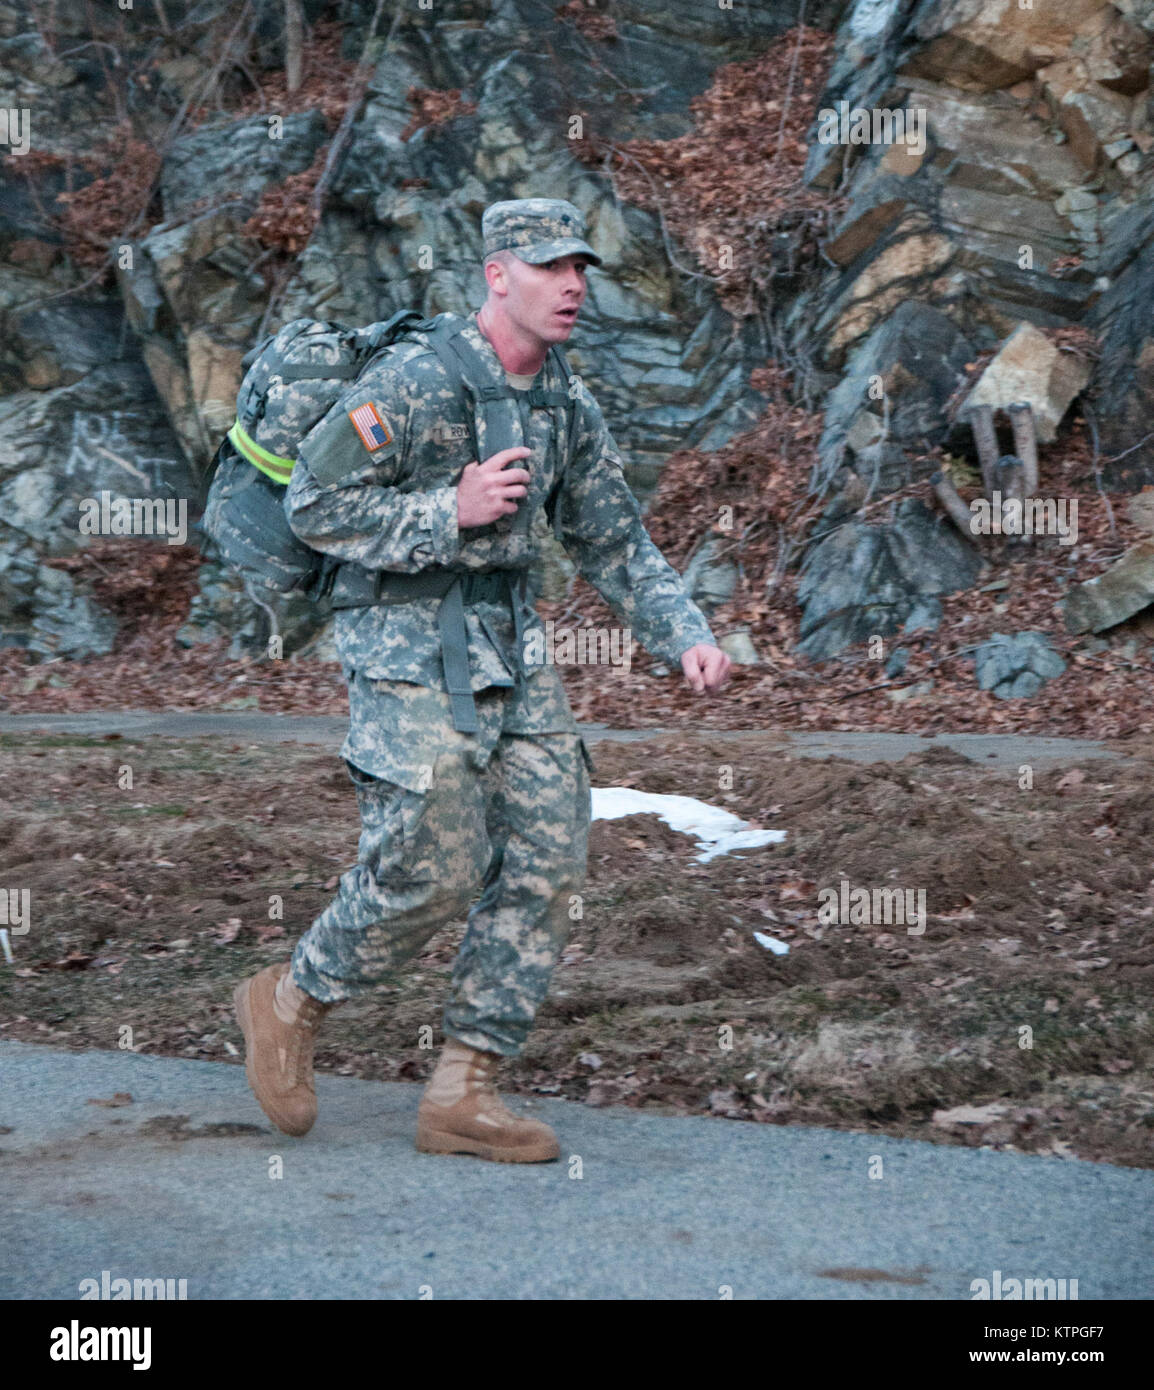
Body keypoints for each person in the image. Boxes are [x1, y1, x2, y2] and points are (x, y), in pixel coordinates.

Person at [233, 197, 731, 1162]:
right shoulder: (414, 380)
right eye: (550, 267)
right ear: (497, 275)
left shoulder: (562, 400)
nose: (574, 285)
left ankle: (464, 1089)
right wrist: (445, 510)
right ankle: (289, 998)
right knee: (434, 865)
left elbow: (612, 536)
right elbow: (314, 505)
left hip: (512, 646)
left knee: (550, 851)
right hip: (401, 639)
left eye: (581, 267)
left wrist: (684, 635)